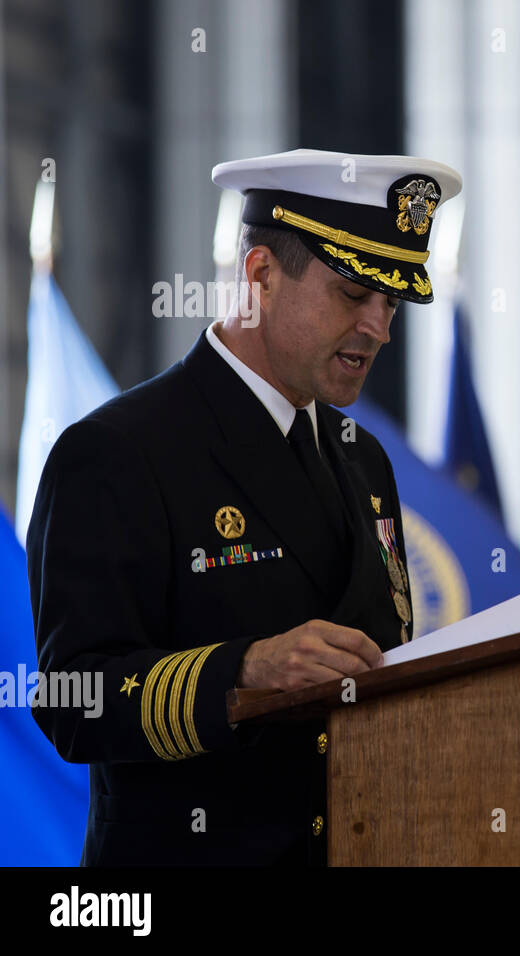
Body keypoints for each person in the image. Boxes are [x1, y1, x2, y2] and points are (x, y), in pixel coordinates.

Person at [27, 148, 462, 865]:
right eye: (355, 293)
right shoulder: (118, 450)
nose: (379, 327)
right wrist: (241, 673)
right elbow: (75, 701)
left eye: (392, 303)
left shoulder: (364, 458)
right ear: (260, 276)